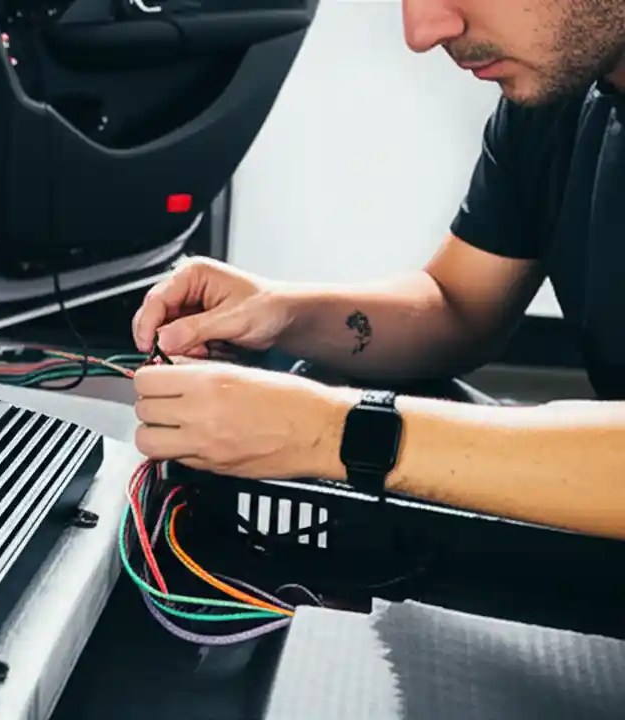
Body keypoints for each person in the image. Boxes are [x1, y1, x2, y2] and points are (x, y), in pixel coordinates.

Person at [130, 0, 625, 541]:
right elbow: (457, 306)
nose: (421, 32)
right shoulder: (559, 97)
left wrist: (337, 434)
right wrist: (283, 313)